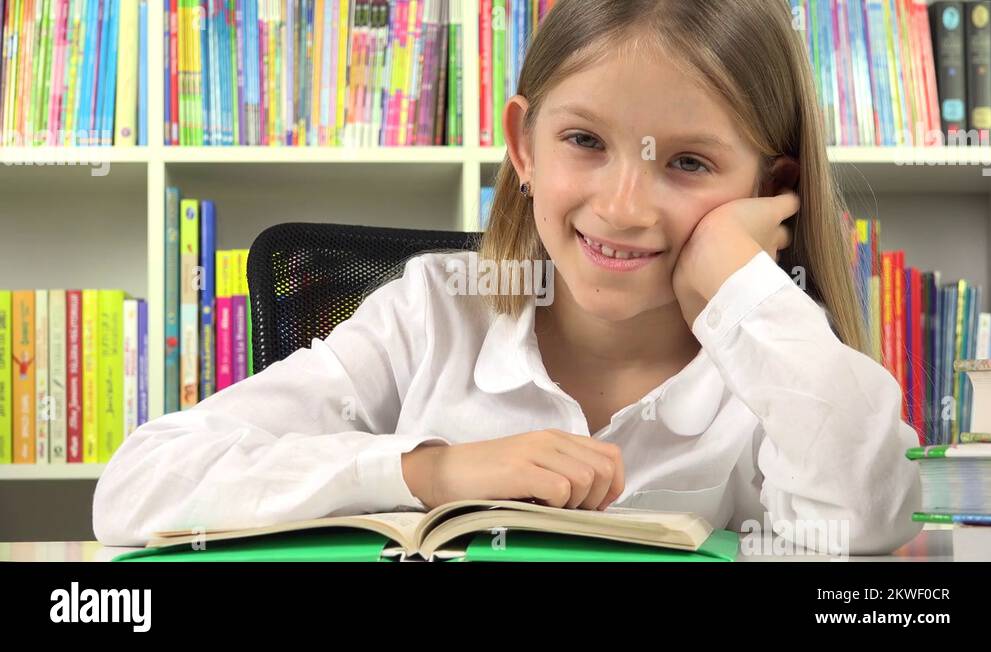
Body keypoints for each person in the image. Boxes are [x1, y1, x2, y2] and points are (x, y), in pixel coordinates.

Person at [93, 0, 922, 555]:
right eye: (585, 142)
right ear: (524, 147)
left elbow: (862, 522)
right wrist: (433, 473)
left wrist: (743, 291)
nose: (624, 205)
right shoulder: (430, 316)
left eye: (689, 162)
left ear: (769, 189)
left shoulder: (775, 368)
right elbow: (138, 486)